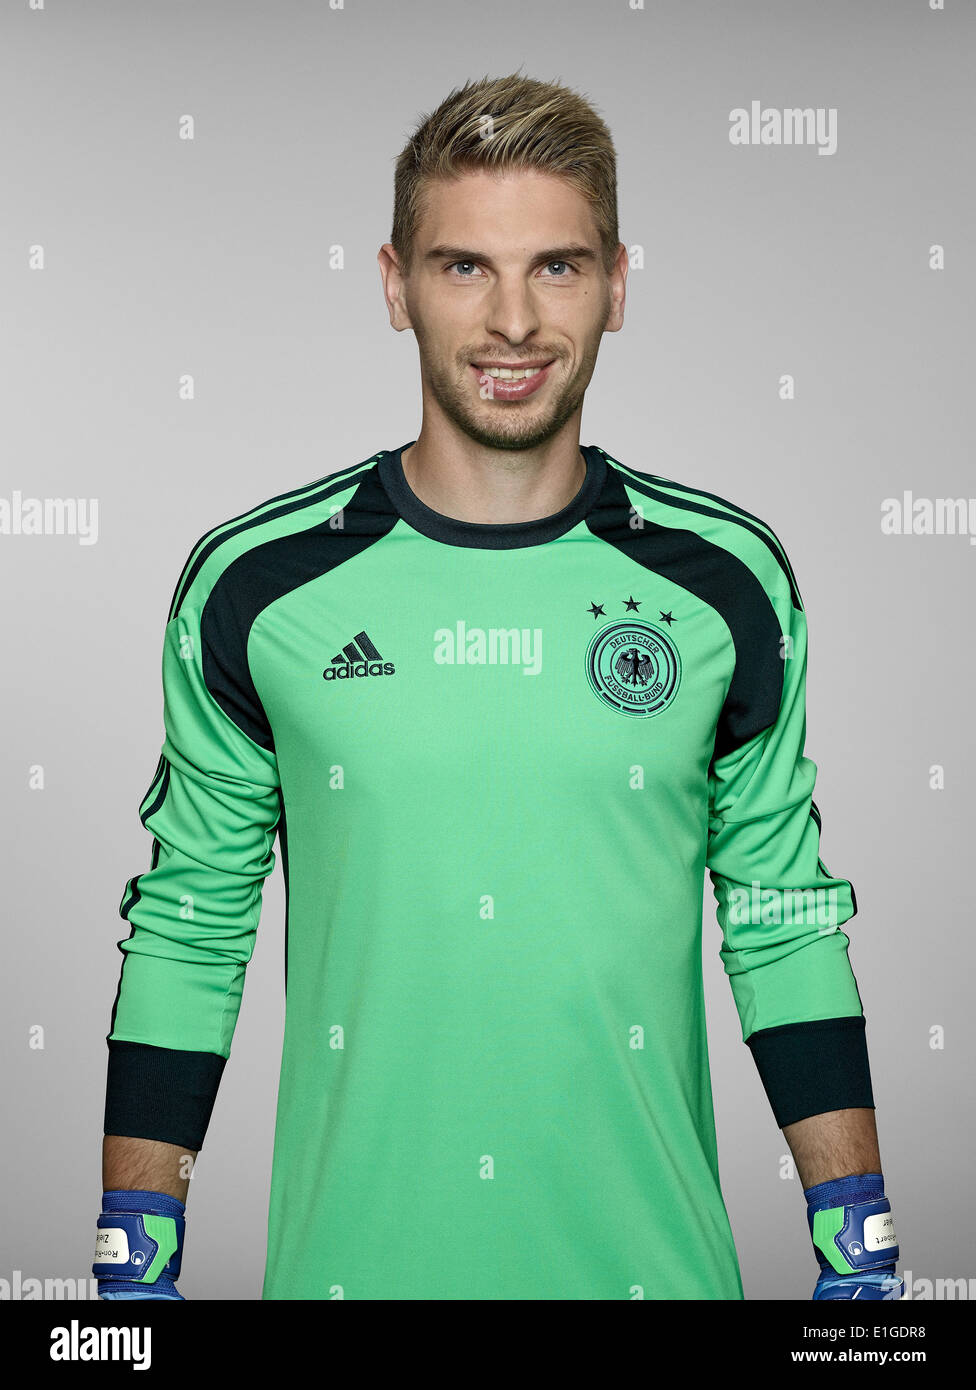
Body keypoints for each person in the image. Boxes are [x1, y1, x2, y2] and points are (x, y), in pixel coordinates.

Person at [93, 71, 902, 1301]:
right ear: (393, 284)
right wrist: (127, 1274)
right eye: (465, 266)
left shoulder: (724, 583)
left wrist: (864, 1262)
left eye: (558, 268)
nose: (513, 319)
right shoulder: (257, 586)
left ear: (617, 284)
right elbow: (190, 927)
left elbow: (780, 918)